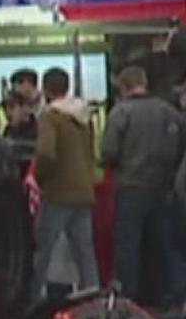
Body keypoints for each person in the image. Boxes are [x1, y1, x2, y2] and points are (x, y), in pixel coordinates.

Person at [101, 66, 186, 306]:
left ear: (123, 87)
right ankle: (178, 294)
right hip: (163, 188)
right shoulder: (169, 112)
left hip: (131, 188)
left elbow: (108, 151)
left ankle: (129, 299)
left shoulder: (121, 113)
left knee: (128, 246)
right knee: (168, 245)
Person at [33, 68, 100, 298]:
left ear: (45, 89)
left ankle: (34, 299)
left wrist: (40, 177)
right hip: (84, 190)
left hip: (58, 191)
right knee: (85, 253)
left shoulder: (50, 116)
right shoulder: (83, 115)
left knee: (43, 250)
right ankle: (93, 298)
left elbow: (46, 153)